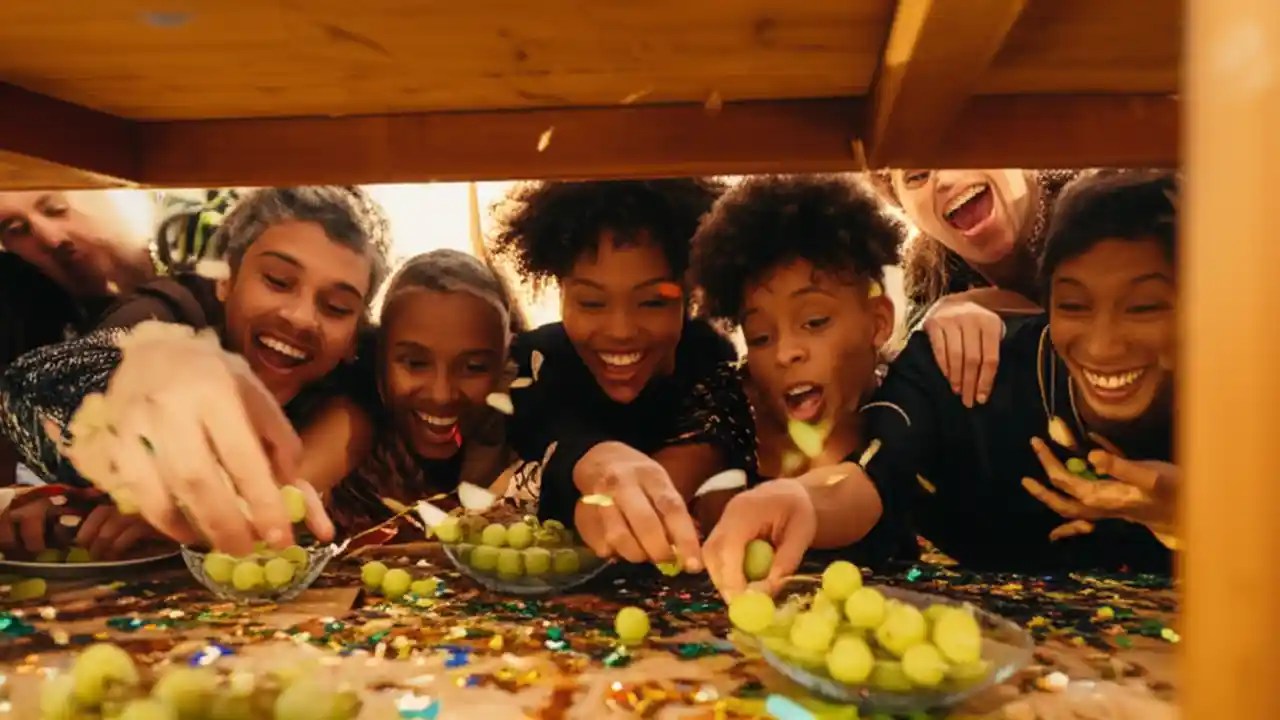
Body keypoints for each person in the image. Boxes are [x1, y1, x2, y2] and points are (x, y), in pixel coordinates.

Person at [704, 170, 1177, 591]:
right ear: (1047, 297)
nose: (1102, 345)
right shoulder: (943, 372)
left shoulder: (1237, 394)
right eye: (1074, 305)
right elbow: (873, 478)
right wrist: (800, 502)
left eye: (1144, 307)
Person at [0, 186, 391, 558]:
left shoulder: (362, 380)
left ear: (355, 336)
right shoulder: (175, 309)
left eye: (337, 307)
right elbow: (37, 384)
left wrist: (206, 509)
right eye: (277, 281)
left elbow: (354, 419)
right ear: (225, 281)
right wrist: (144, 369)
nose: (301, 318)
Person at [489, 179, 755, 572]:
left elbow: (705, 443)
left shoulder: (709, 358)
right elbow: (542, 426)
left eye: (652, 301)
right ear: (561, 292)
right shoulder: (533, 360)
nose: (620, 330)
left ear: (690, 294)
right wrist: (592, 462)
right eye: (591, 302)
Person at [686, 175, 917, 598]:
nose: (785, 353)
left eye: (814, 322)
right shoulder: (728, 424)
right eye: (760, 337)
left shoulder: (909, 412)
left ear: (878, 321)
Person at [321, 250, 527, 540]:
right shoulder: (346, 428)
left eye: (474, 367)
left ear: (505, 362)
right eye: (415, 364)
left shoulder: (529, 443)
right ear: (379, 356)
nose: (442, 395)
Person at [871, 169, 1078, 408]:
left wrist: (1003, 303)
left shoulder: (1100, 203)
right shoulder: (929, 278)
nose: (945, 180)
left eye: (962, 149)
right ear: (902, 207)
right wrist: (934, 321)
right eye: (918, 176)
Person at [0, 190, 160, 485]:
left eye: (56, 209)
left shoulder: (212, 286)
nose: (50, 238)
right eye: (17, 230)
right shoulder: (29, 324)